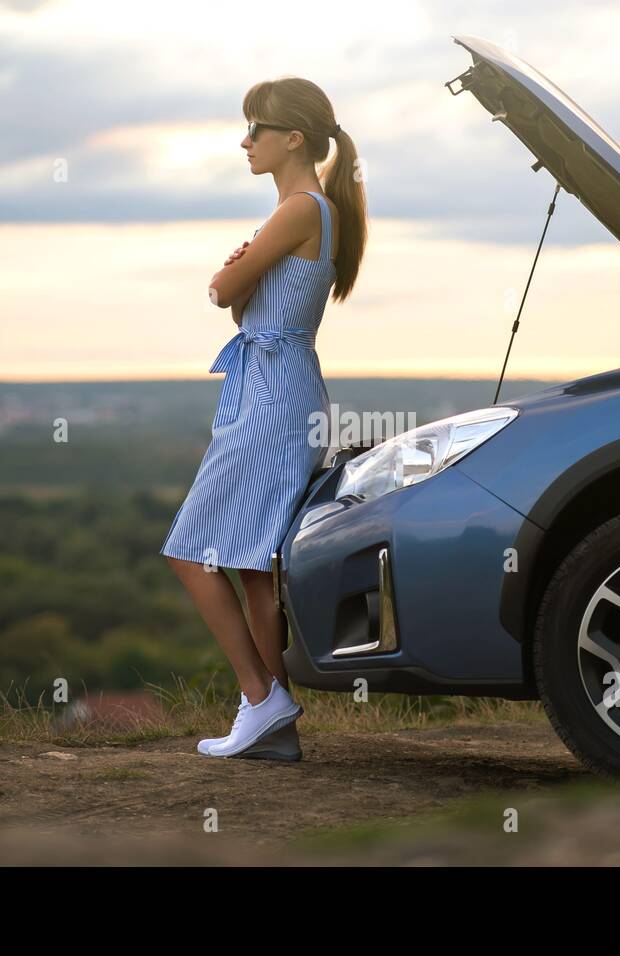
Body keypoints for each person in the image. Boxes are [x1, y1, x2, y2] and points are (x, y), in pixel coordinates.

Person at [159, 76, 368, 759]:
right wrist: (239, 283)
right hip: (279, 385)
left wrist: (235, 275)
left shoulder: (299, 209)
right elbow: (243, 307)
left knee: (191, 552)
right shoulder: (307, 210)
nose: (245, 141)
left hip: (273, 398)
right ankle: (273, 731)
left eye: (257, 129)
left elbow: (222, 291)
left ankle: (260, 694)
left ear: (293, 139)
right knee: (254, 565)